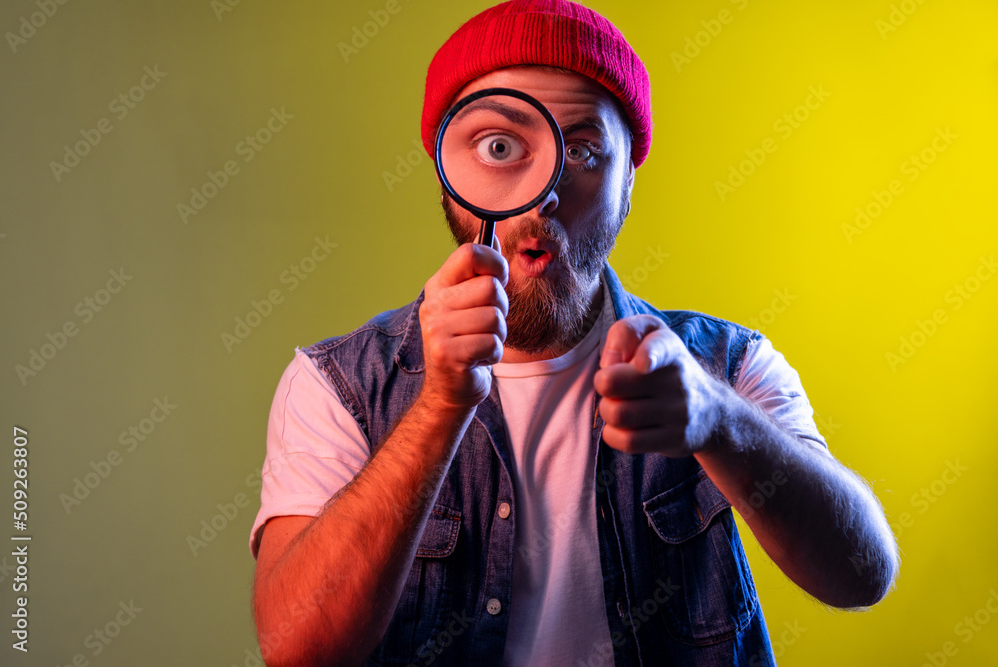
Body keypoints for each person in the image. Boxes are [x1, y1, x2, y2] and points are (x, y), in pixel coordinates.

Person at [249, 1, 899, 665]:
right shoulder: (337, 386)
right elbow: (296, 649)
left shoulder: (725, 365)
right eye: (499, 147)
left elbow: (862, 573)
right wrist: (440, 405)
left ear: (627, 186)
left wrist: (717, 422)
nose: (541, 195)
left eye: (584, 150)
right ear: (448, 177)